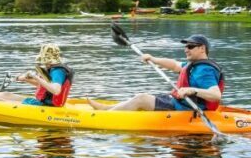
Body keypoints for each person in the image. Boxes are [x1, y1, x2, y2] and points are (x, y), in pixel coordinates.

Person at [88, 34, 224, 112]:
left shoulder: (205, 70)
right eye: (185, 46)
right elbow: (175, 65)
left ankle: (106, 116)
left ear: (202, 48)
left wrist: (192, 90)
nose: (186, 49)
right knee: (143, 97)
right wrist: (153, 59)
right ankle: (107, 109)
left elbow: (215, 95)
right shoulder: (194, 65)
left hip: (188, 108)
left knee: (142, 98)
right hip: (178, 101)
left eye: (190, 46)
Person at [0, 43, 74, 107]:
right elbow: (46, 87)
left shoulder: (57, 71)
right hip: (43, 103)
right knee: (5, 95)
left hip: (46, 106)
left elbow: (56, 90)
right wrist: (25, 79)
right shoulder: (54, 69)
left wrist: (35, 76)